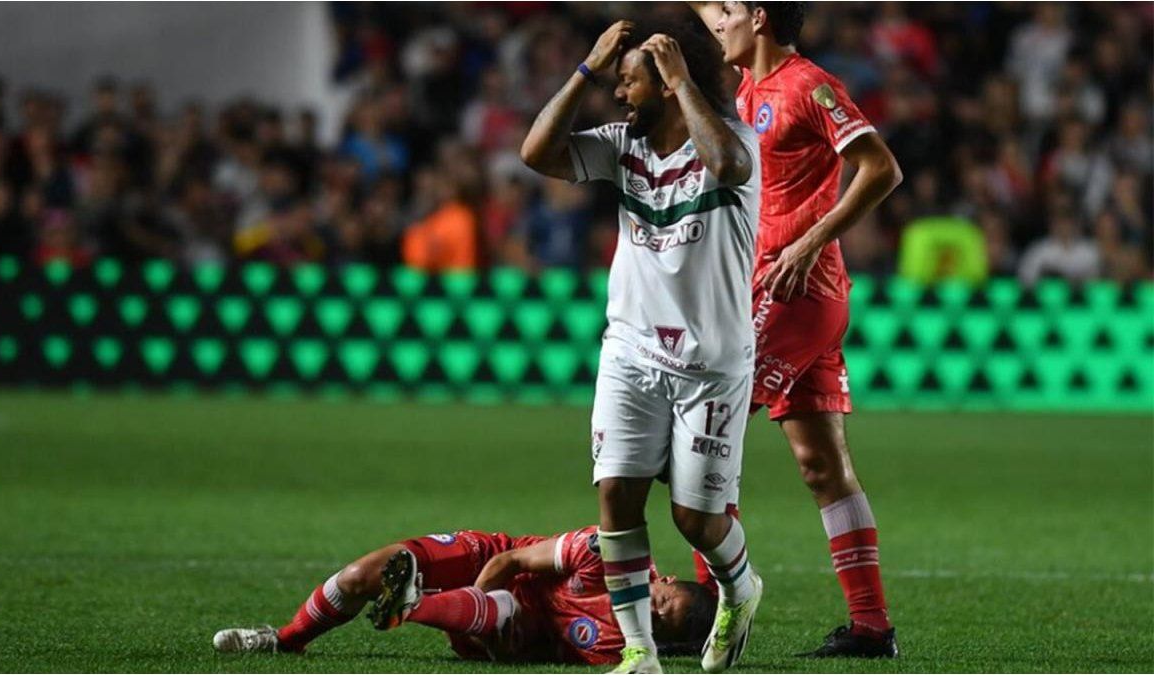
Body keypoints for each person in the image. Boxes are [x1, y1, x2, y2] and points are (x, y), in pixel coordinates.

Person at [521, 18, 762, 675]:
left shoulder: (733, 139)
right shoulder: (619, 145)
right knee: (616, 497)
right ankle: (639, 652)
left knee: (695, 519)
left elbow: (729, 166)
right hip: (631, 352)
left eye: (629, 81)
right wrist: (586, 68)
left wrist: (683, 81)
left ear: (668, 80)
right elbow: (536, 153)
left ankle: (741, 586)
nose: (619, 93)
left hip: (711, 365)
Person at [688, 1, 903, 659]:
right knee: (822, 465)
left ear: (758, 17)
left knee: (704, 434)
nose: (717, 23)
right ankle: (872, 627)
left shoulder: (809, 85)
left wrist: (810, 241)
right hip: (785, 292)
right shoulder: (748, 82)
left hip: (794, 290)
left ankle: (714, 605)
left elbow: (881, 168)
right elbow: (709, 11)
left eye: (730, 13)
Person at [211, 525, 716, 666]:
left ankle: (410, 605)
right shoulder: (607, 551)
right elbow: (511, 562)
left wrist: (487, 636)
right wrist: (468, 601)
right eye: (661, 602)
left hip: (506, 628)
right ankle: (286, 639)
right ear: (664, 579)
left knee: (503, 611)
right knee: (359, 577)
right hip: (490, 560)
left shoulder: (616, 648)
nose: (649, 612)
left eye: (659, 623)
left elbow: (533, 654)